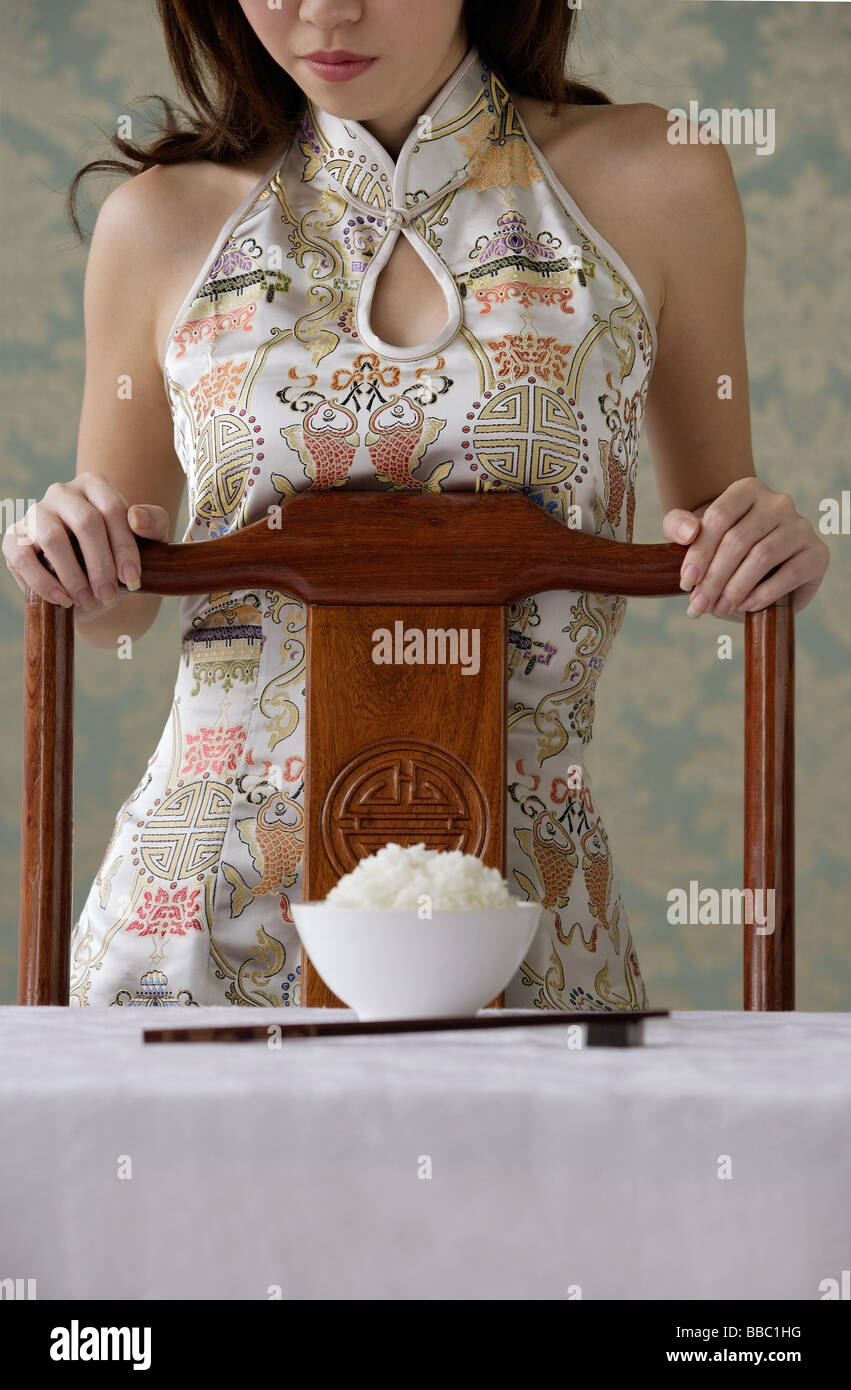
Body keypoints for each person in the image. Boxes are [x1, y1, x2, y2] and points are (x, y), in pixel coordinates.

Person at [3, 0, 828, 1008]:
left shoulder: (657, 175)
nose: (323, 12)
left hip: (516, 922)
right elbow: (118, 606)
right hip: (196, 934)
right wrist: (71, 549)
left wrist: (768, 542)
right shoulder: (161, 220)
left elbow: (714, 533)